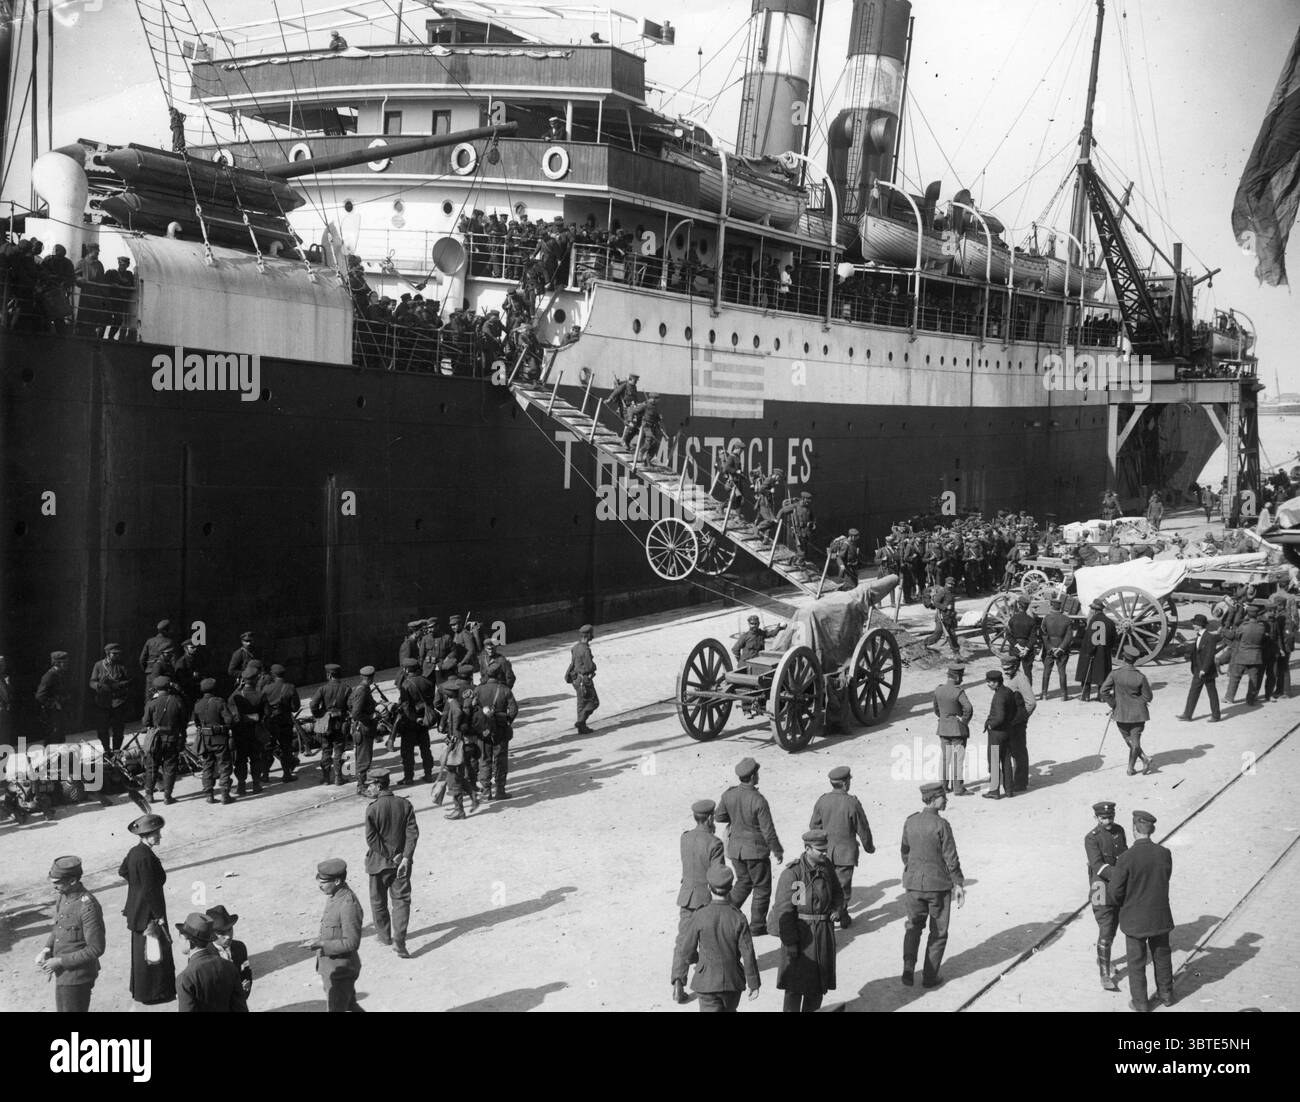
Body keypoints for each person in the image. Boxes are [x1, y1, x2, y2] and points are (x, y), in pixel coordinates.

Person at [899, 782, 966, 988]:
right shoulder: (941, 825)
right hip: (937, 887)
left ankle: (909, 966)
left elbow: (904, 851)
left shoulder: (910, 822)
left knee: (913, 926)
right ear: (934, 799)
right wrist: (958, 884)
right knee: (938, 932)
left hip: (912, 885)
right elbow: (951, 858)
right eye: (943, 797)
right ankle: (930, 976)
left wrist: (914, 871)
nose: (946, 800)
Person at [1109, 810, 1175, 1012]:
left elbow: (1114, 892)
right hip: (1160, 916)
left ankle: (1141, 1003)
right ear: (1151, 830)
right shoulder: (1164, 853)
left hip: (1135, 920)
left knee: (1136, 963)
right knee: (1162, 957)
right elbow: (1165, 879)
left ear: (1134, 830)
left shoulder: (1126, 858)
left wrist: (1123, 904)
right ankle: (1167, 995)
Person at [771, 829, 843, 1012]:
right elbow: (785, 912)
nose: (825, 853)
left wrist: (837, 909)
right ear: (807, 848)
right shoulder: (793, 874)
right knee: (795, 988)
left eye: (826, 849)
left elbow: (837, 893)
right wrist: (791, 943)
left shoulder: (827, 867)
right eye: (821, 850)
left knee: (817, 986)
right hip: (801, 938)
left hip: (823, 935)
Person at [673, 866, 760, 1011]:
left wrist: (698, 961)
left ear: (708, 887)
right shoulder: (738, 917)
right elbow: (748, 953)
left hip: (706, 982)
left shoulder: (699, 915)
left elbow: (686, 950)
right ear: (731, 887)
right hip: (733, 982)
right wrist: (754, 983)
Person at [715, 757, 784, 936]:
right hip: (755, 851)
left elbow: (719, 816)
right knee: (762, 887)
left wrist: (735, 817)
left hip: (735, 850)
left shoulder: (728, 794)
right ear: (753, 776)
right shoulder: (758, 800)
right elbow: (768, 831)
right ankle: (757, 926)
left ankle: (725, 913)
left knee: (743, 882)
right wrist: (777, 850)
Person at [670, 798, 727, 1003]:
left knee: (683, 939)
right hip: (705, 898)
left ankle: (678, 982)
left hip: (686, 896)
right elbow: (716, 874)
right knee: (708, 941)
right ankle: (708, 981)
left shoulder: (684, 838)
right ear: (711, 818)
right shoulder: (715, 843)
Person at [119, 813, 176, 1005]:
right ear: (146, 835)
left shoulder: (135, 852)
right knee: (154, 953)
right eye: (156, 833)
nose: (159, 836)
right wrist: (159, 916)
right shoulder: (147, 858)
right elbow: (151, 891)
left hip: (137, 911)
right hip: (150, 914)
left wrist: (135, 888)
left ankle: (142, 990)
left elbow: (123, 871)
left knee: (141, 953)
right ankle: (156, 993)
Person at [808, 766, 874, 927]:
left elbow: (813, 826)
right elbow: (862, 828)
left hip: (825, 852)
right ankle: (841, 915)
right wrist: (868, 846)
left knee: (826, 883)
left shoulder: (822, 801)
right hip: (846, 853)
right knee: (843, 886)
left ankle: (831, 914)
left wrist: (818, 846)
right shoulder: (852, 803)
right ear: (845, 784)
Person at [38, 855, 105, 1012]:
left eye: (57, 883)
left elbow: (96, 949)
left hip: (78, 977)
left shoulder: (88, 907)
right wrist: (46, 949)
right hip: (63, 974)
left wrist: (60, 961)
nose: (54, 887)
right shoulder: (63, 896)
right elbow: (59, 928)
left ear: (73, 881)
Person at [364, 769, 419, 959]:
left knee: (378, 901)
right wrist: (404, 857)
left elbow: (372, 840)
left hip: (378, 864)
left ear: (379, 786)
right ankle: (400, 941)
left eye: (370, 785)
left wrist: (390, 855)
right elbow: (413, 834)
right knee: (401, 900)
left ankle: (384, 936)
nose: (367, 788)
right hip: (402, 865)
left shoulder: (372, 808)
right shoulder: (405, 804)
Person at [303, 859, 364, 1012]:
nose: (320, 886)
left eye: (323, 882)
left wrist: (322, 944)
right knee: (350, 1005)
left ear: (337, 881)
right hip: (331, 968)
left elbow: (351, 943)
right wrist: (319, 941)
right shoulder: (334, 895)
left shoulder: (348, 905)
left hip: (341, 971)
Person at [1084, 801, 1128, 992]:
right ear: (1096, 818)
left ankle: (1103, 958)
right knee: (1106, 928)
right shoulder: (1091, 838)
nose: (1108, 821)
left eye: (1110, 817)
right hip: (1100, 889)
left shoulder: (1119, 830)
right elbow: (1098, 865)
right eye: (1103, 818)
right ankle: (1104, 975)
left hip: (1117, 888)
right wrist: (1121, 874)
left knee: (1113, 927)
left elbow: (1124, 854)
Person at [175, 912, 249, 1012]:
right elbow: (240, 1008)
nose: (178, 941)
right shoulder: (229, 966)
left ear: (188, 943)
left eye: (180, 937)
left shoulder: (185, 979)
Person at [1100, 647, 1154, 775]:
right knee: (1135, 741)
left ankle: (1139, 763)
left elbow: (1103, 691)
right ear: (1136, 660)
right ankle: (1132, 767)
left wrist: (1114, 704)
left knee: (1129, 740)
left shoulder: (1115, 674)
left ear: (1123, 658)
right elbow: (1148, 697)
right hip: (1139, 714)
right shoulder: (1140, 676)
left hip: (1121, 713)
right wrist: (1137, 702)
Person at [141, 675, 187, 804]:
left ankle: (149, 795)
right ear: (169, 687)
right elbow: (184, 721)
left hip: (155, 740)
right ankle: (167, 796)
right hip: (172, 738)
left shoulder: (151, 703)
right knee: (170, 767)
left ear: (156, 688)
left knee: (151, 767)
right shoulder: (177, 701)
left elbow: (145, 722)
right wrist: (182, 737)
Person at [473, 666, 519, 800]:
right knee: (500, 760)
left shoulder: (478, 690)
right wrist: (507, 721)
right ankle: (500, 790)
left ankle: (486, 790)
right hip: (501, 730)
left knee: (484, 760)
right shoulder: (505, 690)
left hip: (483, 731)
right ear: (499, 675)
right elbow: (514, 710)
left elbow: (472, 708)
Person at [193, 678, 236, 804]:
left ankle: (209, 795)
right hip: (220, 739)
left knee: (207, 767)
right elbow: (229, 720)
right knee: (224, 766)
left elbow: (197, 723)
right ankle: (225, 795)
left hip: (205, 741)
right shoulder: (219, 702)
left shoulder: (197, 704)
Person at [933, 664, 973, 795]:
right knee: (957, 759)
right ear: (957, 677)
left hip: (943, 728)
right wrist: (964, 721)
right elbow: (968, 708)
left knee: (945, 759)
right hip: (957, 730)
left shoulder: (938, 690)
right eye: (961, 676)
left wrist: (944, 718)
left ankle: (943, 787)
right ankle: (958, 788)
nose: (961, 679)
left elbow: (936, 709)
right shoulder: (958, 691)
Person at [395, 658, 437, 785]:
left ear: (407, 669)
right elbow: (431, 701)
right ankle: (428, 774)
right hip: (425, 720)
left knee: (407, 751)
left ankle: (408, 777)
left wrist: (414, 718)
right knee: (425, 748)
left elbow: (406, 706)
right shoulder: (427, 681)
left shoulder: (406, 685)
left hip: (410, 723)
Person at [1001, 654, 1036, 793]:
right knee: (1012, 750)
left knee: (1019, 751)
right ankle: (1015, 780)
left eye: (1008, 669)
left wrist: (1021, 719)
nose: (1006, 672)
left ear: (1016, 666)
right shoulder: (1011, 678)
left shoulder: (1021, 679)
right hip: (1010, 722)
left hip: (1017, 723)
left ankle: (1021, 783)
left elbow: (1031, 702)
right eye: (1004, 669)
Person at [312, 664, 351, 785]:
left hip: (325, 725)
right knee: (339, 750)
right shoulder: (347, 688)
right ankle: (339, 778)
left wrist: (320, 715)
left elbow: (313, 705)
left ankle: (326, 778)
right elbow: (351, 706)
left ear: (329, 675)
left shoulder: (322, 689)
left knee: (326, 750)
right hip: (340, 724)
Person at [1178, 613, 1222, 722]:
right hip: (1197, 669)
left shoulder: (1209, 638)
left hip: (1206, 671)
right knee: (1193, 691)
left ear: (1199, 625)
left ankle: (1216, 716)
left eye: (1194, 624)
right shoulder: (1199, 636)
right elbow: (1196, 651)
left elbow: (1209, 655)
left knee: (1212, 693)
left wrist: (1204, 669)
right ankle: (1187, 715)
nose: (1192, 625)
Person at [228, 667, 265, 797]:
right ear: (255, 680)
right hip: (255, 732)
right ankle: (256, 785)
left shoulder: (234, 696)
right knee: (256, 758)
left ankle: (241, 786)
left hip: (240, 733)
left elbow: (231, 717)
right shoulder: (260, 695)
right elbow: (266, 714)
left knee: (240, 760)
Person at [89, 643, 132, 754]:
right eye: (114, 654)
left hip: (118, 701)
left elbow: (129, 680)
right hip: (103, 702)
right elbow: (92, 682)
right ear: (108, 654)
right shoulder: (98, 665)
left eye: (118, 654)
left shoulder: (121, 665)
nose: (117, 656)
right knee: (102, 729)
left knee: (118, 729)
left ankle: (116, 750)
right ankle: (107, 750)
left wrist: (119, 685)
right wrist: (99, 686)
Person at [261, 664, 300, 783]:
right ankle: (287, 774)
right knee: (286, 748)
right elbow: (295, 707)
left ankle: (265, 775)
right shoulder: (290, 687)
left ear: (273, 675)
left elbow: (260, 705)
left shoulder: (266, 689)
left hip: (270, 723)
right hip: (285, 722)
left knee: (268, 748)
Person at [982, 669, 1017, 799]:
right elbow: (1014, 711)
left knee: (994, 762)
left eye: (990, 682)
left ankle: (994, 791)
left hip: (996, 734)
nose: (988, 684)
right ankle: (1009, 790)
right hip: (1007, 731)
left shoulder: (998, 697)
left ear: (996, 682)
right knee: (1006, 761)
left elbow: (1000, 717)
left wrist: (991, 725)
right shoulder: (1008, 692)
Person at [1223, 604, 1268, 706]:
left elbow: (1234, 636)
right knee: (1254, 679)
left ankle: (1229, 697)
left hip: (1242, 655)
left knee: (1235, 677)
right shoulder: (1261, 627)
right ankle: (1250, 700)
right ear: (1257, 615)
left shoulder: (1244, 626)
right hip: (1256, 657)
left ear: (1247, 614)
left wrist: (1224, 631)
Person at [206, 906, 253, 999]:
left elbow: (246, 972)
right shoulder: (203, 956)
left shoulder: (240, 947)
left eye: (230, 929)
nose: (228, 936)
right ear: (211, 934)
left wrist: (244, 990)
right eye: (222, 933)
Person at [1076, 598, 1117, 702]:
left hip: (1091, 651)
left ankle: (1085, 696)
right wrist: (1107, 649)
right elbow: (1114, 639)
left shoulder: (1093, 621)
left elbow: (1091, 639)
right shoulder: (1110, 622)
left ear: (1094, 610)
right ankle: (1101, 696)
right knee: (1102, 673)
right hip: (1104, 652)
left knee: (1086, 673)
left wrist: (1089, 652)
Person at [349, 666, 380, 794]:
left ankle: (361, 782)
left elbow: (350, 704)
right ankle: (361, 787)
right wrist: (370, 717)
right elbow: (356, 713)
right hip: (363, 728)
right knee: (364, 758)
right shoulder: (362, 691)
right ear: (371, 677)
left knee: (362, 756)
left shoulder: (360, 688)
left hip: (362, 728)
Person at [1039, 597, 1074, 700]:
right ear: (1060, 607)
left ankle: (1044, 694)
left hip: (1049, 648)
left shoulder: (1046, 618)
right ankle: (1064, 695)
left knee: (1046, 671)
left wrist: (1050, 648)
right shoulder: (1066, 619)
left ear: (1051, 606)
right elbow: (1069, 636)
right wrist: (1061, 648)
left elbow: (1043, 635)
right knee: (1062, 672)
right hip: (1062, 649)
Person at [567, 624, 599, 733]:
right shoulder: (586, 650)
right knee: (594, 702)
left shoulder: (575, 647)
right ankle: (580, 722)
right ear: (588, 635)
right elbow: (590, 666)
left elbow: (573, 663)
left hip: (576, 680)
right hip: (584, 680)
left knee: (581, 703)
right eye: (591, 634)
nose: (593, 636)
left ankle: (582, 727)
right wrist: (595, 666)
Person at [36, 650, 72, 742]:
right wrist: (54, 704)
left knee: (59, 738)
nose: (67, 664)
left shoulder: (60, 674)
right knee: (52, 739)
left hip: (59, 713)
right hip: (51, 714)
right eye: (65, 662)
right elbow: (40, 696)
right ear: (58, 663)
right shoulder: (49, 676)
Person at [776, 490, 816, 569]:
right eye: (807, 500)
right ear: (803, 499)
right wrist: (777, 518)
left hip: (806, 533)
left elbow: (813, 518)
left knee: (805, 551)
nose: (809, 502)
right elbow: (782, 510)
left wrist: (813, 524)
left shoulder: (808, 508)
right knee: (802, 552)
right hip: (798, 532)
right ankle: (801, 567)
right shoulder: (795, 506)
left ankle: (792, 560)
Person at [923, 576, 961, 656]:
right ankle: (924, 644)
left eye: (952, 584)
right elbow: (936, 603)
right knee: (937, 635)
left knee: (952, 635)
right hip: (941, 618)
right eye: (949, 584)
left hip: (949, 618)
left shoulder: (950, 592)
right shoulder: (942, 592)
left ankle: (957, 653)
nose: (950, 586)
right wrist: (945, 607)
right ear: (946, 583)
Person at [1005, 595, 1038, 680]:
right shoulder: (1031, 621)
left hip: (1014, 648)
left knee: (1013, 672)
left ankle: (1015, 692)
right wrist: (1026, 649)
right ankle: (1028, 692)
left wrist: (1017, 646)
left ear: (1019, 606)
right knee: (1027, 673)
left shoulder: (1012, 619)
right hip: (1027, 648)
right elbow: (1033, 637)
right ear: (1027, 607)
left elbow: (1008, 635)